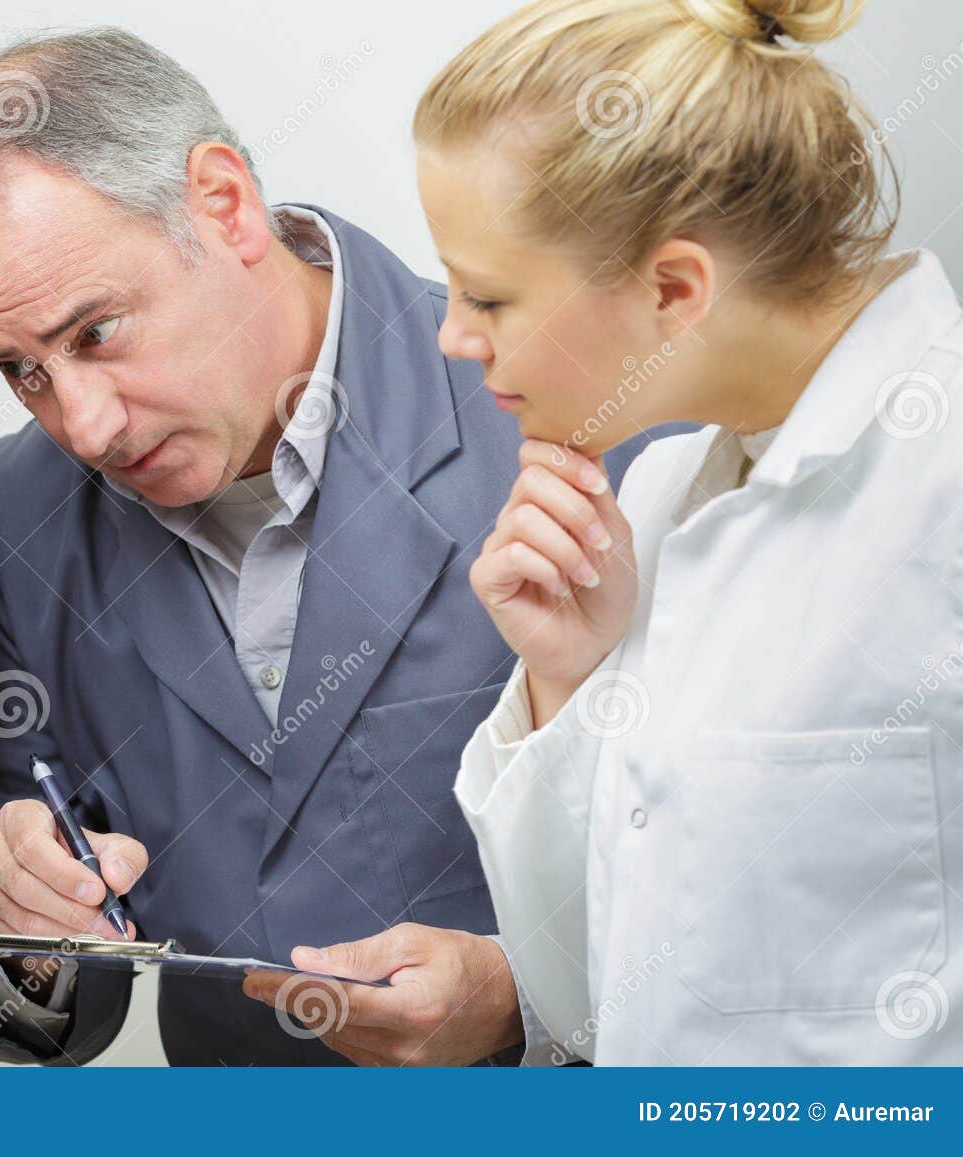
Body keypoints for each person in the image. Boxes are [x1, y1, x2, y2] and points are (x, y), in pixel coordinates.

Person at [0, 27, 684, 1065]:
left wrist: (524, 996)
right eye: (18, 369)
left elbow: (783, 885)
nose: (84, 427)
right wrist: (27, 937)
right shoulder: (23, 500)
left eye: (97, 333)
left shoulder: (602, 417)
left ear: (225, 206)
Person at [253, 0, 963, 1064]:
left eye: (488, 297)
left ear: (674, 289)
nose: (452, 337)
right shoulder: (662, 494)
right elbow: (592, 995)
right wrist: (569, 682)